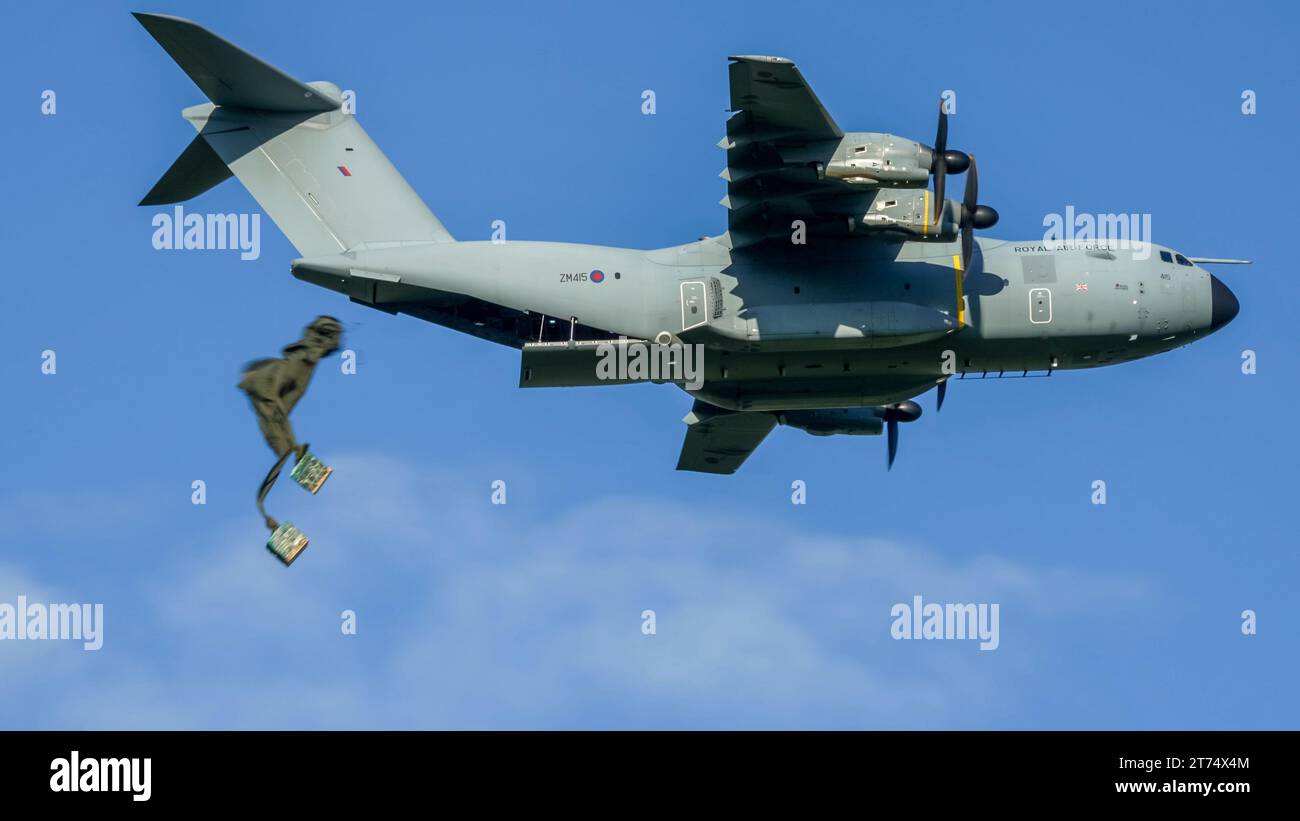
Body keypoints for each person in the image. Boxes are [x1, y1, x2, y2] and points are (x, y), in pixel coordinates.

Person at [238, 316, 343, 531]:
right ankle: (300, 468)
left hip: (275, 384)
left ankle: (300, 466)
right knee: (276, 424)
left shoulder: (301, 364)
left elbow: (276, 416)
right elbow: (275, 413)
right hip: (271, 386)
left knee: (278, 428)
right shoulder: (293, 366)